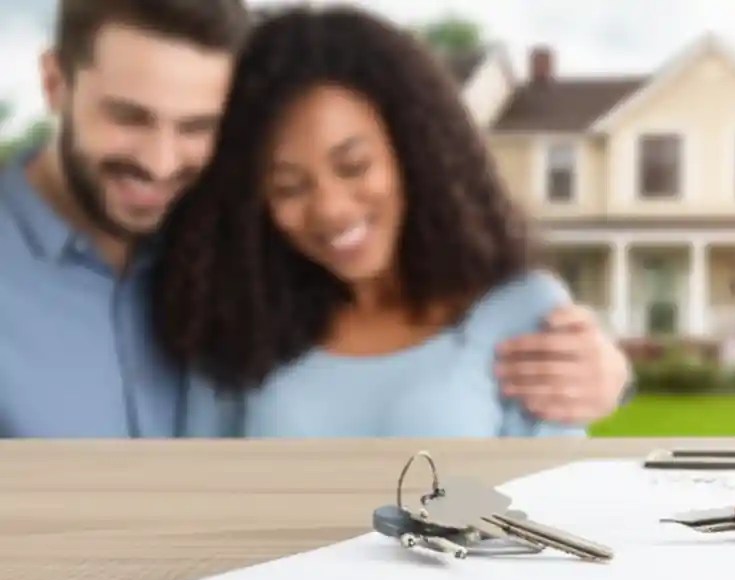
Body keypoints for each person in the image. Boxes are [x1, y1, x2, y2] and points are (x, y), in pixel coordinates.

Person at [0, 0, 632, 438]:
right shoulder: (227, 299)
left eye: (196, 127)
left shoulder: (206, 262)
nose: (161, 161)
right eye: (130, 116)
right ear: (55, 83)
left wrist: (615, 374)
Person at [151, 5, 597, 437]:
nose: (330, 209)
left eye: (354, 166)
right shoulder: (238, 321)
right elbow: (200, 496)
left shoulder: (522, 311)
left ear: (414, 151)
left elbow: (554, 499)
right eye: (288, 188)